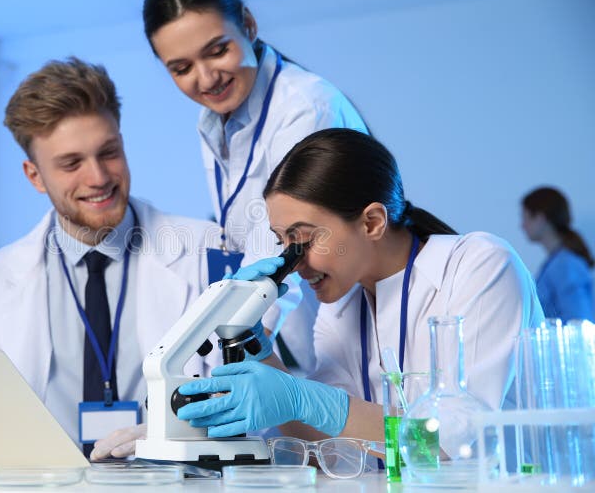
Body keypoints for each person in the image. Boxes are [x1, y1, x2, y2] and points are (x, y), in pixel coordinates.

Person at [0, 58, 221, 466]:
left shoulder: (205, 251)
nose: (98, 177)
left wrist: (183, 434)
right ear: (34, 176)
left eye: (109, 152)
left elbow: (256, 402)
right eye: (71, 163)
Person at [176, 129, 544, 442]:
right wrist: (255, 346)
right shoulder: (340, 309)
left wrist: (304, 398)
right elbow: (321, 434)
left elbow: (451, 438)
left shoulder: (479, 266)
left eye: (302, 240)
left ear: (371, 222)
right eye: (282, 243)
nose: (294, 262)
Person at [143, 0, 369, 373]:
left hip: (336, 333)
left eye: (217, 50)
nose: (206, 78)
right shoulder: (212, 121)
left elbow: (282, 251)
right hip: (284, 337)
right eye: (182, 68)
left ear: (248, 25)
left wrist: (222, 360)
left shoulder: (304, 108)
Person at [521, 186, 594, 322]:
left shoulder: (565, 265)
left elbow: (579, 320)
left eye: (526, 218)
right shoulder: (558, 262)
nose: (522, 225)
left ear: (541, 218)